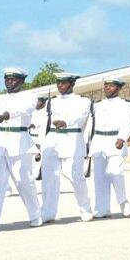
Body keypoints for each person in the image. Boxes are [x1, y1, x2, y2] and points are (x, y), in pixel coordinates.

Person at [0, 68, 44, 231]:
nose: (10, 82)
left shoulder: (29, 97)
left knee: (23, 181)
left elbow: (25, 110)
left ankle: (35, 214)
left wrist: (5, 116)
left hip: (19, 141)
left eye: (14, 80)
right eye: (7, 79)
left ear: (22, 81)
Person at [39, 73, 94, 223]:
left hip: (72, 140)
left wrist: (66, 121)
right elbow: (44, 122)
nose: (60, 86)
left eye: (63, 83)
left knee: (74, 176)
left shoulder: (83, 101)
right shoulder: (52, 102)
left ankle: (85, 208)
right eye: (58, 83)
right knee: (50, 179)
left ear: (72, 84)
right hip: (52, 140)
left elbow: (81, 116)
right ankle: (48, 212)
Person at [88, 78, 130, 218]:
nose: (108, 88)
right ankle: (102, 209)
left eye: (112, 86)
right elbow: (91, 125)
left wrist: (122, 138)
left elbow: (129, 122)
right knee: (99, 177)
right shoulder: (97, 105)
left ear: (119, 88)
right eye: (106, 86)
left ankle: (123, 201)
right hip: (98, 141)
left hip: (116, 141)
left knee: (115, 171)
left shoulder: (127, 105)